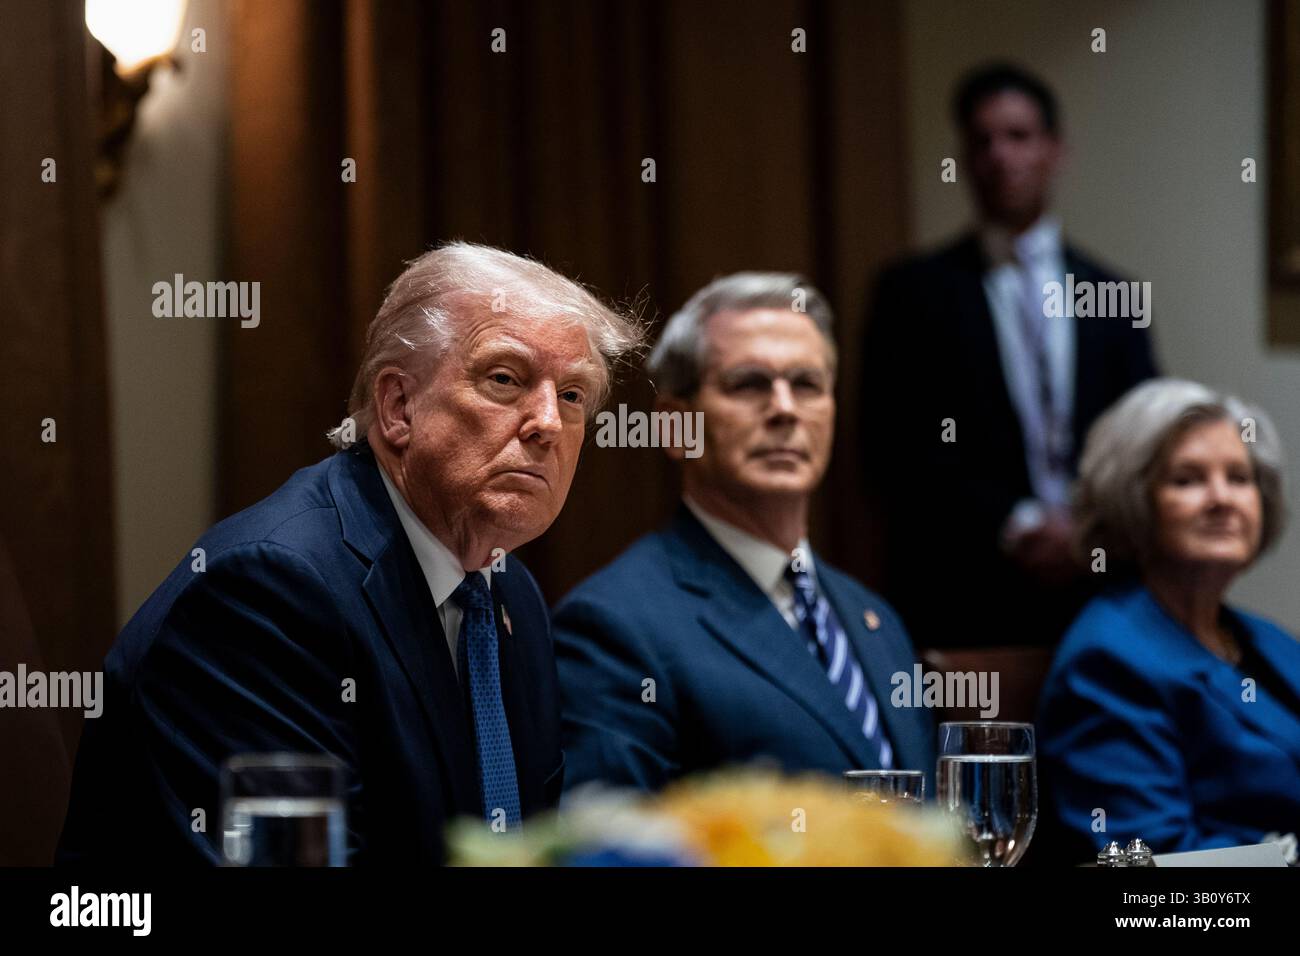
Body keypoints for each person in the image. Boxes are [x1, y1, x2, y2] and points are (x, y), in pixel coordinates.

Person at [57, 242, 643, 864]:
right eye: (505, 379)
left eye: (574, 395)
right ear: (398, 406)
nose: (549, 422)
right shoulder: (268, 590)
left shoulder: (507, 594)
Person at [553, 273, 934, 793]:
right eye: (749, 384)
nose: (784, 408)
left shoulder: (877, 619)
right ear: (673, 426)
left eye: (807, 384)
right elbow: (611, 850)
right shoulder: (614, 626)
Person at [860, 62, 1158, 648]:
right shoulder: (911, 292)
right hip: (960, 594)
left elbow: (1146, 437)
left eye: (1018, 136)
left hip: (1101, 597)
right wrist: (1016, 525)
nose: (1001, 155)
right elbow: (890, 448)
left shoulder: (1114, 293)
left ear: (1054, 150)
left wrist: (1088, 533)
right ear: (966, 159)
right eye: (982, 141)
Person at [1039, 379, 1300, 858]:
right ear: (1134, 502)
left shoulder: (1272, 643)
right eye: (1188, 479)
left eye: (1239, 478)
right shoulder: (1107, 661)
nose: (1222, 498)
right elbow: (1153, 859)